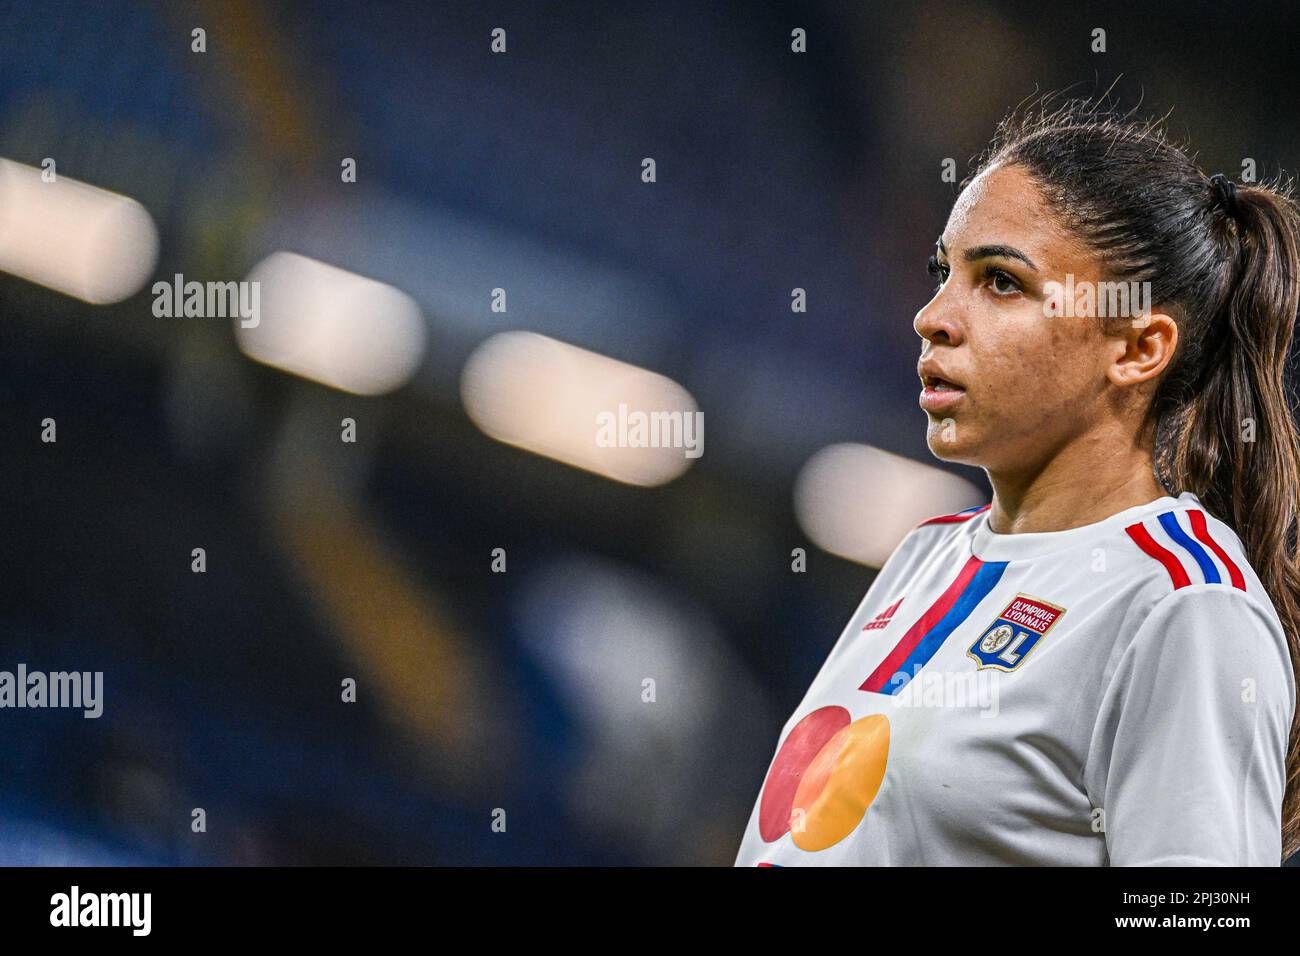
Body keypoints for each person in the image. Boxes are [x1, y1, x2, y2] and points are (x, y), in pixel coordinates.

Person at [735, 97, 1300, 866]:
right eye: (945, 272)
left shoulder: (1181, 604)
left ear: (1136, 347)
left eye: (1000, 282)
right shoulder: (925, 555)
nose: (932, 317)